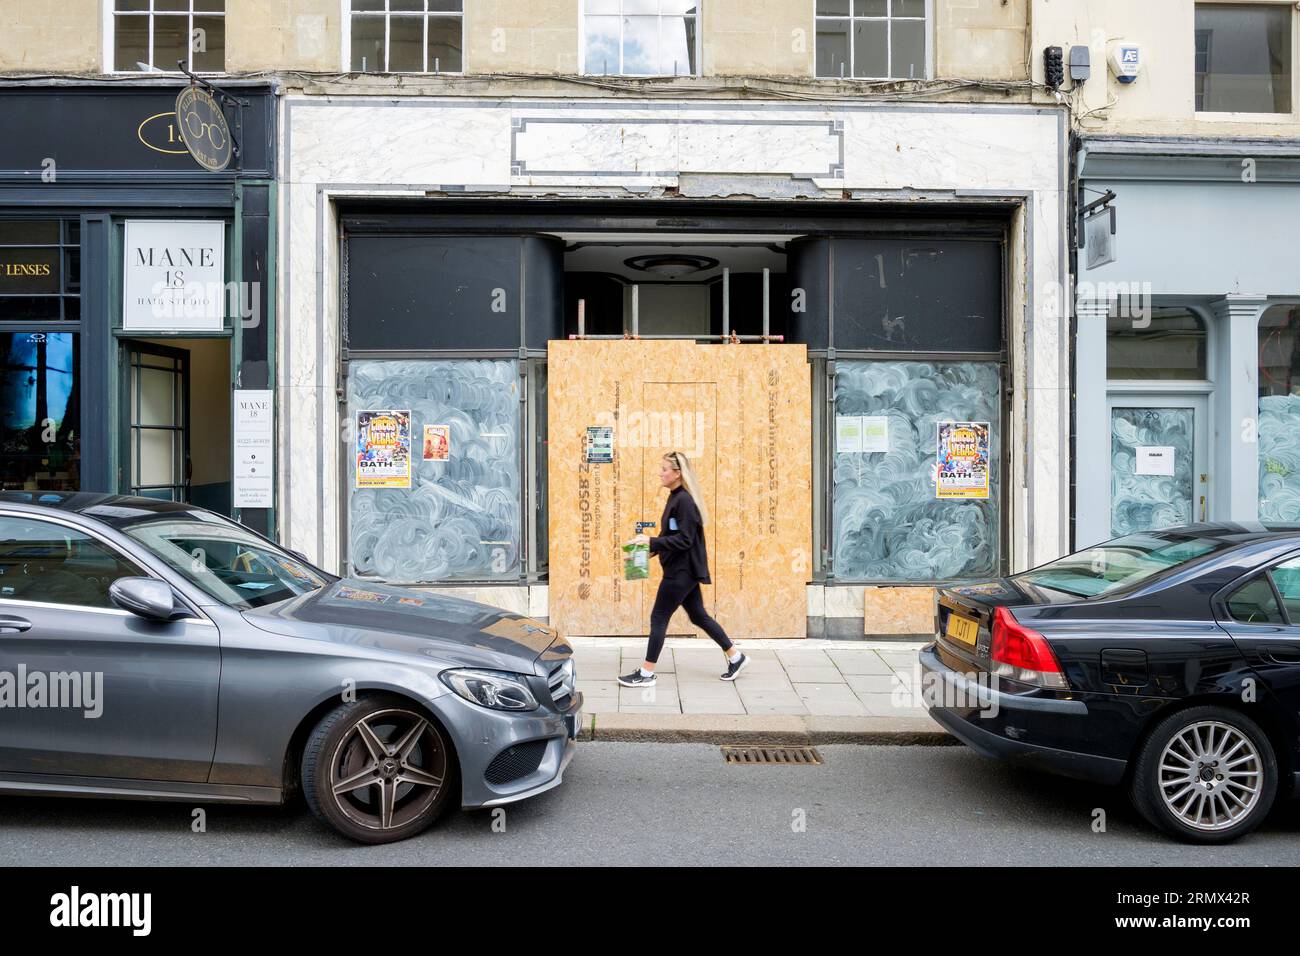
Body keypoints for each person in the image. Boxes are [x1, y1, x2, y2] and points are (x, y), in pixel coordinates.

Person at [618, 451, 748, 687]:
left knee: (659, 616)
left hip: (682, 571)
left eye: (665, 469)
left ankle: (646, 674)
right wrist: (649, 550)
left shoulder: (684, 501)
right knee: (698, 615)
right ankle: (736, 657)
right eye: (661, 468)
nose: (660, 472)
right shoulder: (675, 497)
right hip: (681, 568)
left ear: (677, 473)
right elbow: (672, 536)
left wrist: (651, 542)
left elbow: (685, 540)